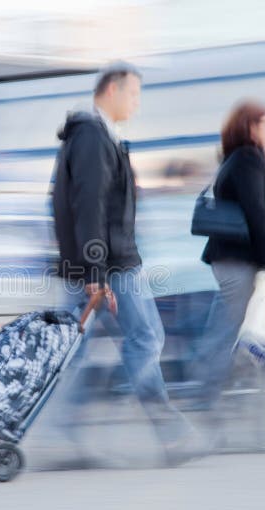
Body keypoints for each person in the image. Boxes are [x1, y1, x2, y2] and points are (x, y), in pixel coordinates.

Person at [51, 62, 203, 462]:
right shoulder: (92, 136)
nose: (137, 102)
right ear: (111, 90)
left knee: (75, 351)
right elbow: (89, 207)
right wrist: (95, 271)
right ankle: (171, 434)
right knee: (144, 338)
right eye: (133, 93)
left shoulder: (98, 136)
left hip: (101, 263)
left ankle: (57, 436)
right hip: (110, 266)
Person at [194, 100, 265, 407]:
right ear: (251, 127)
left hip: (236, 260)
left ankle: (222, 395)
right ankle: (206, 398)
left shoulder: (240, 159)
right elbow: (258, 215)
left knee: (242, 331)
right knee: (229, 333)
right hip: (238, 261)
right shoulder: (247, 159)